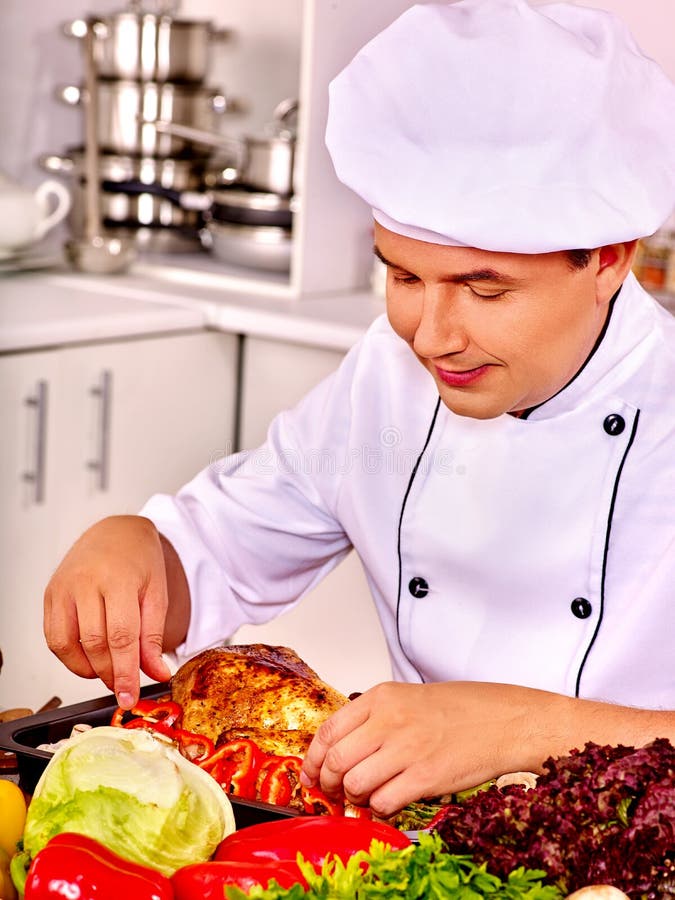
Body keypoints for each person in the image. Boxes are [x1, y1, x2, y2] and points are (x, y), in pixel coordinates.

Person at [44, 0, 675, 818]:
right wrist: (134, 549)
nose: (432, 336)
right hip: (425, 843)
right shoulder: (388, 373)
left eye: (484, 288)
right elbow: (225, 548)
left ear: (607, 260)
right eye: (404, 276)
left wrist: (530, 729)